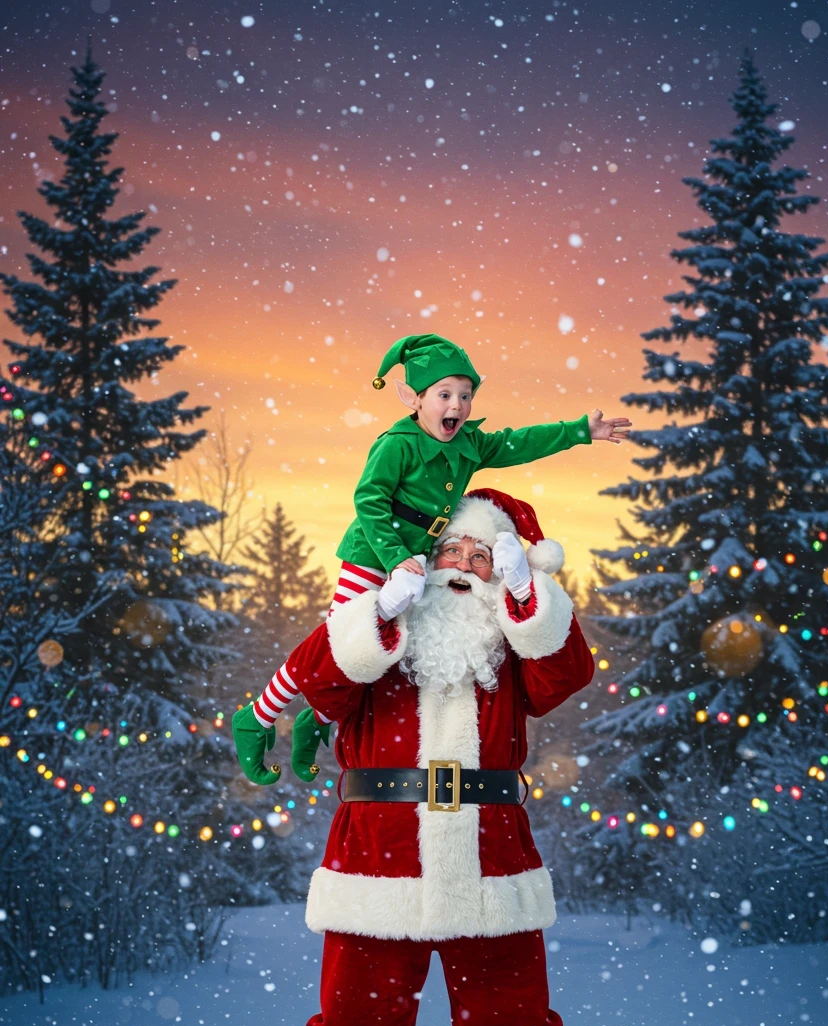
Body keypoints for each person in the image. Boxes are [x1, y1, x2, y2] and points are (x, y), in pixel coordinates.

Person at [235, 489, 595, 1026]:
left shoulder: (512, 642)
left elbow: (567, 674)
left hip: (489, 852)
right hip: (380, 850)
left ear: (505, 569)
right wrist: (376, 607)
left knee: (513, 1012)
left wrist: (528, 597)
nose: (462, 565)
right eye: (449, 550)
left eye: (482, 556)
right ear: (423, 561)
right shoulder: (380, 636)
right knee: (352, 1013)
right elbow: (318, 674)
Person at [232, 333, 630, 780]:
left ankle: (317, 719)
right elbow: (369, 500)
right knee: (340, 636)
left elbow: (519, 443)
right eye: (444, 394)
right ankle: (259, 716)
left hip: (414, 556)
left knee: (354, 645)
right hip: (374, 548)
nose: (456, 405)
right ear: (413, 398)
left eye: (465, 395)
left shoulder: (469, 446)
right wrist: (394, 558)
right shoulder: (397, 444)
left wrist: (579, 431)